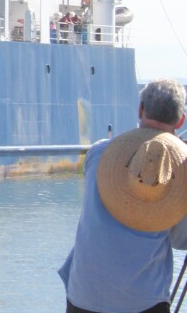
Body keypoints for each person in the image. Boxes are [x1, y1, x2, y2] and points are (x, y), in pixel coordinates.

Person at [59, 78, 187, 313]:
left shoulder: (99, 154)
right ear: (180, 120)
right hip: (143, 303)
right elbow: (182, 239)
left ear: (140, 109)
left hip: (83, 297)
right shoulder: (181, 173)